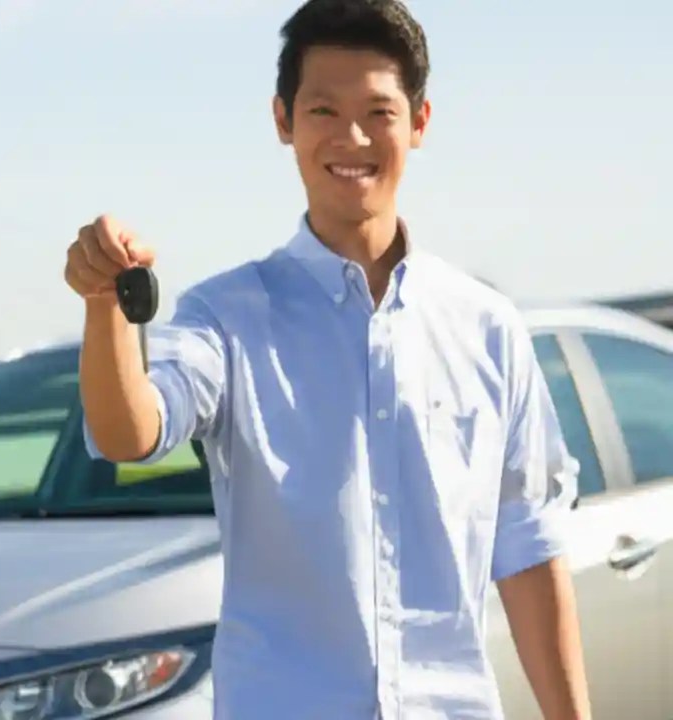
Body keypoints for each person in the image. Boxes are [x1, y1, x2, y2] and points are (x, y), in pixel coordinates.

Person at [63, 1, 592, 718]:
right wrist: (105, 309)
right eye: (323, 111)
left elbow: (527, 549)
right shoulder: (226, 317)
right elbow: (132, 432)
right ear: (283, 120)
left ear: (420, 123)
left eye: (379, 112)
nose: (352, 137)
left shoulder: (488, 328)